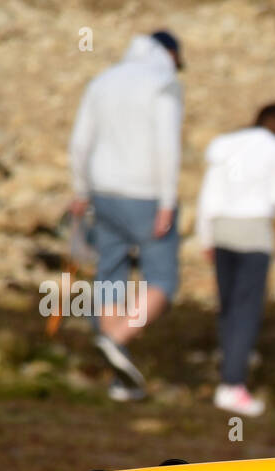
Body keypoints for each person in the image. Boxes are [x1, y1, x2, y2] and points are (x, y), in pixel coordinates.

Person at [68, 29, 185, 401]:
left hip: (103, 191)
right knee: (162, 280)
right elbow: (168, 146)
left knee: (111, 275)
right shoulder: (163, 84)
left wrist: (80, 189)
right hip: (146, 193)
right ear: (170, 54)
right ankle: (116, 338)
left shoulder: (103, 81)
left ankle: (121, 380)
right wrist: (167, 200)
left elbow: (80, 141)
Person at [195, 102, 275, 416]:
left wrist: (204, 235)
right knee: (247, 309)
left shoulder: (225, 145)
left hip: (222, 228)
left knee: (227, 304)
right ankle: (233, 384)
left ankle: (231, 363)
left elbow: (208, 193)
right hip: (253, 233)